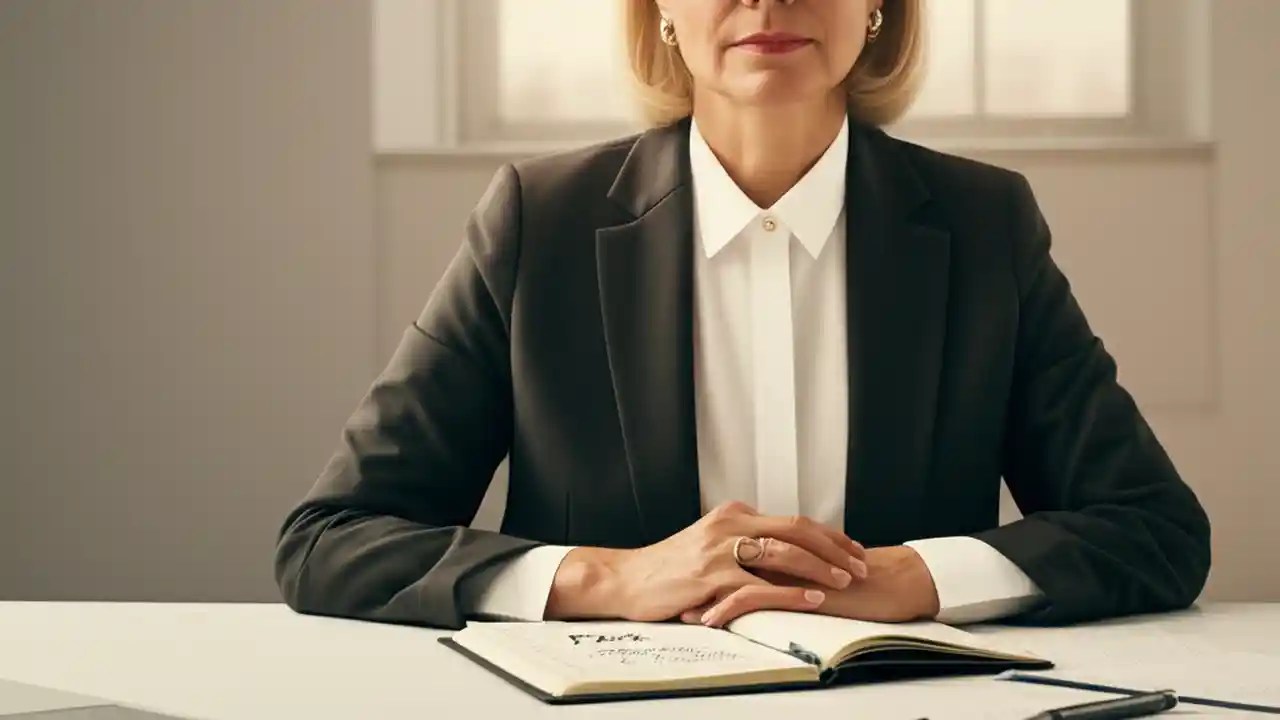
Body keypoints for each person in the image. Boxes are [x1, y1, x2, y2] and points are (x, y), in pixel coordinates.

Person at [274, 0, 1211, 631]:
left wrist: (912, 580)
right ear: (661, 12)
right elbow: (331, 541)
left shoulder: (983, 224)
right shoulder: (538, 222)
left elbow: (1154, 531)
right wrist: (608, 578)